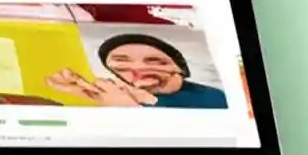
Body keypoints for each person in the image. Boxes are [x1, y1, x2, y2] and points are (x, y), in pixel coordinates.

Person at [46, 33, 227, 109]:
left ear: (178, 67)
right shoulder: (112, 91)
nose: (138, 68)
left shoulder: (214, 98)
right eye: (121, 62)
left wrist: (131, 109)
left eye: (154, 61)